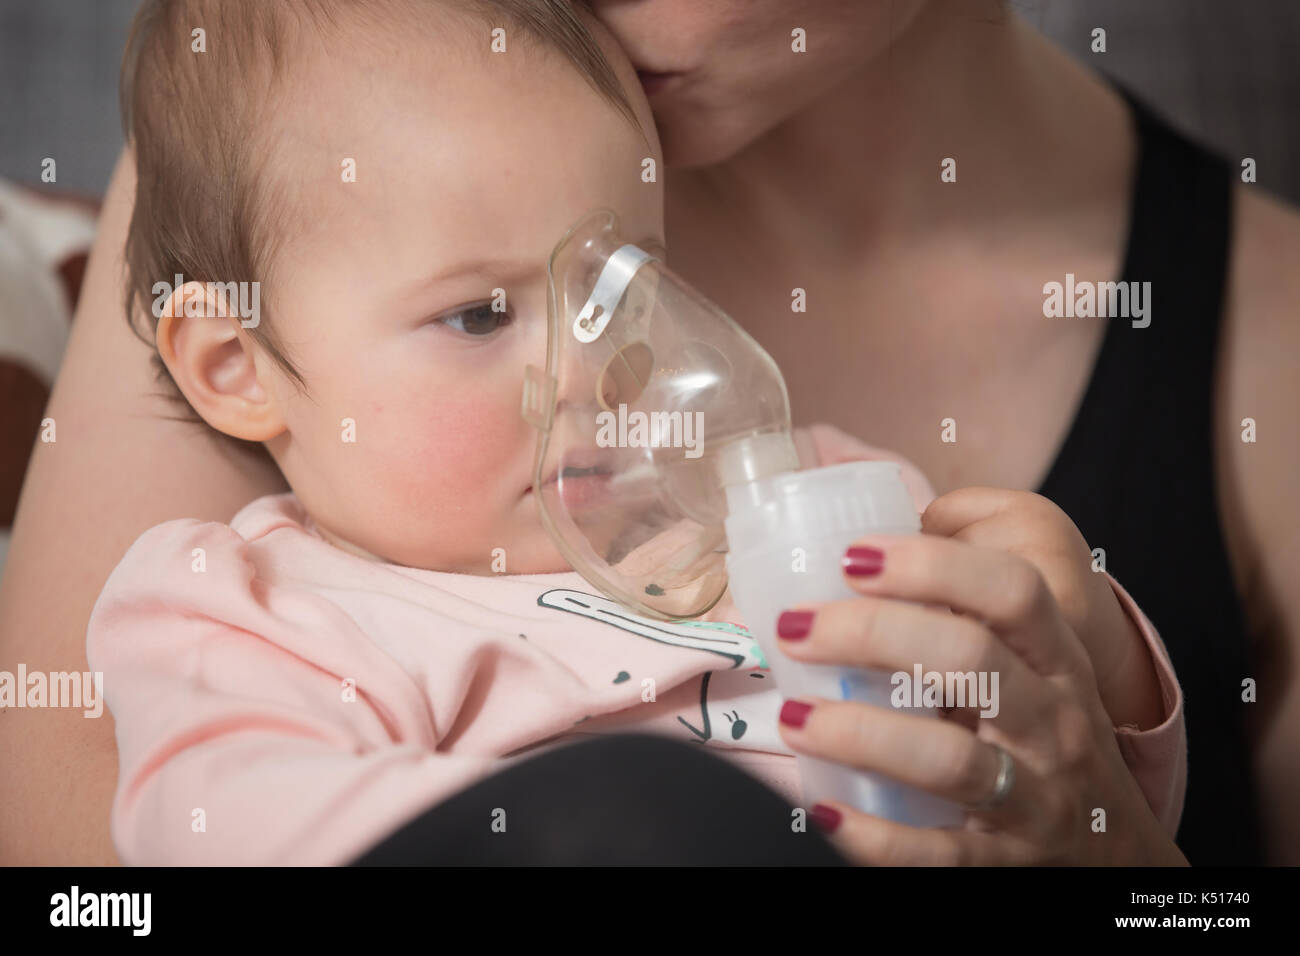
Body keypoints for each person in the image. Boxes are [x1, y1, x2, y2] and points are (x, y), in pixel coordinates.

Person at [1, 0, 1292, 865]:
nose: (593, 373)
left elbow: (1045, 795)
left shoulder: (800, 495)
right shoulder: (254, 609)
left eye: (623, 287)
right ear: (236, 367)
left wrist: (1099, 684)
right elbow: (209, 833)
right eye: (480, 316)